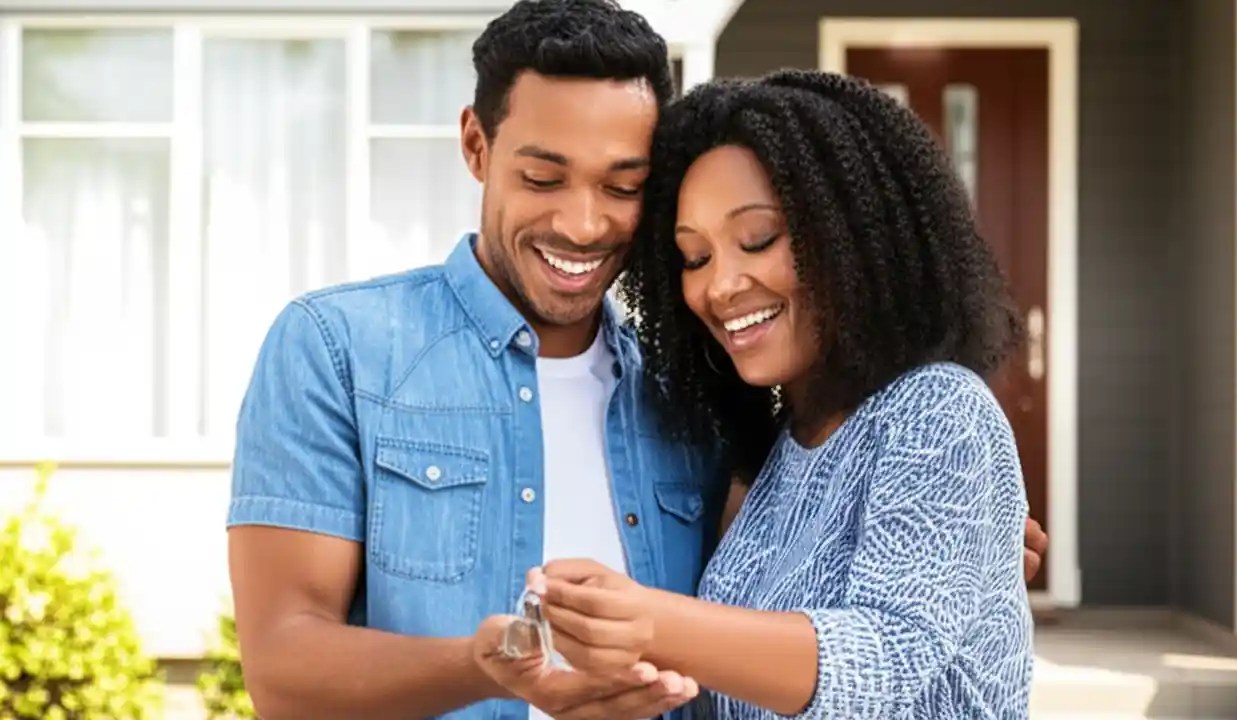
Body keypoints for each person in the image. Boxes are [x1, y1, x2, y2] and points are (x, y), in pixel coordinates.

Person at [224, 1, 1047, 718]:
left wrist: (957, 543)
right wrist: (486, 670)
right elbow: (284, 670)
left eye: (623, 187)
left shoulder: (686, 400)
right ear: (476, 146)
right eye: (544, 176)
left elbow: (871, 632)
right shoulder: (339, 349)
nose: (583, 224)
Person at [533, 69, 1036, 718]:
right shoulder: (780, 453)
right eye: (695, 257)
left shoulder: (939, 412)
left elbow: (880, 660)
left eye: (758, 240)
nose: (720, 287)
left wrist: (649, 620)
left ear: (850, 236)